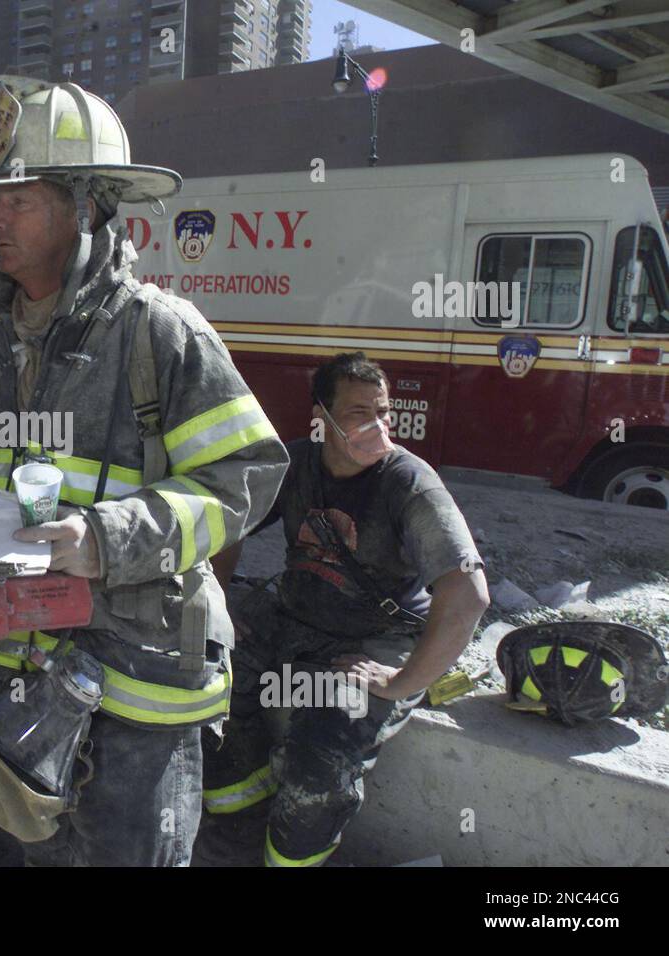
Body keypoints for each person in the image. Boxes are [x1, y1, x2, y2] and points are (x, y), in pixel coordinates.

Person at [0, 75, 289, 866]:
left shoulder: (158, 333)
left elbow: (246, 479)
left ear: (86, 205)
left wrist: (102, 538)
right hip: (32, 681)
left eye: (19, 198)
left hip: (142, 702)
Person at [195, 352, 489, 867]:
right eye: (358, 413)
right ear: (321, 418)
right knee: (205, 687)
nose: (376, 426)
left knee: (319, 765)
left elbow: (468, 594)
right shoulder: (296, 464)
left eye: (384, 412)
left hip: (371, 639)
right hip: (294, 618)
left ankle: (291, 859)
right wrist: (218, 602)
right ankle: (238, 830)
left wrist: (402, 680)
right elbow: (229, 523)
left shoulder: (408, 483)